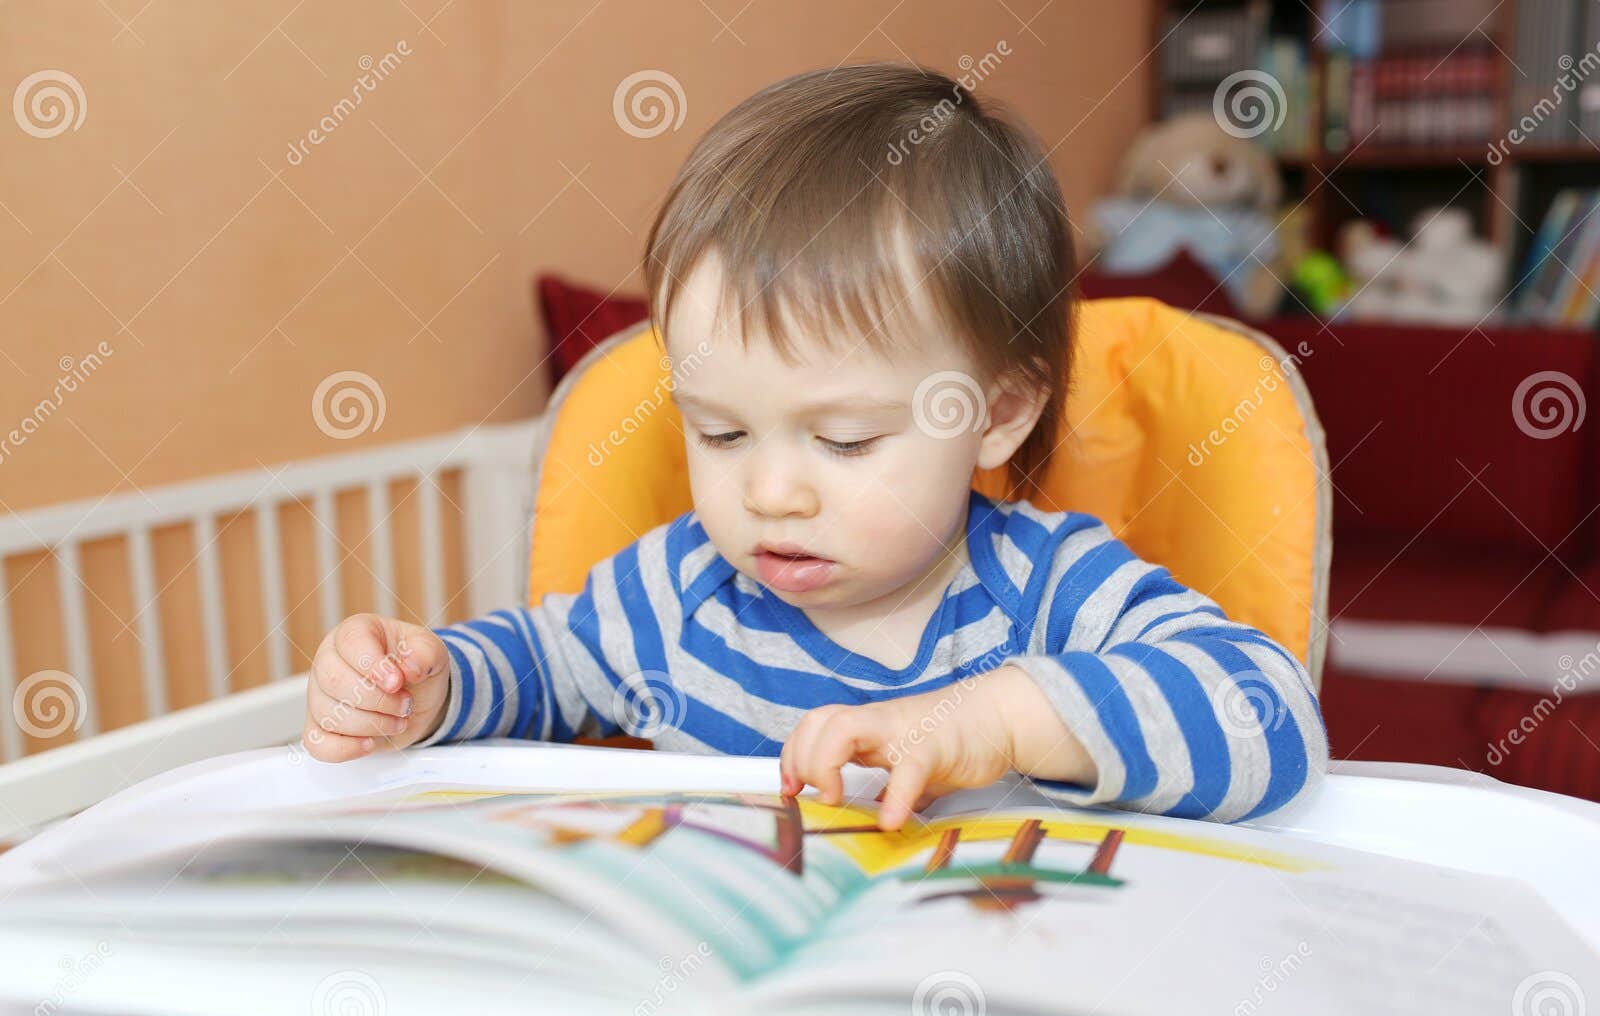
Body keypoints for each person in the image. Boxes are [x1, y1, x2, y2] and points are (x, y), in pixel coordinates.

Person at [301, 63, 1328, 830]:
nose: (771, 491)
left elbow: (1270, 713)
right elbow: (541, 664)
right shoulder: (679, 595)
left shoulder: (1051, 593)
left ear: (999, 413)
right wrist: (431, 685)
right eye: (720, 430)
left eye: (844, 440)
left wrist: (997, 721)